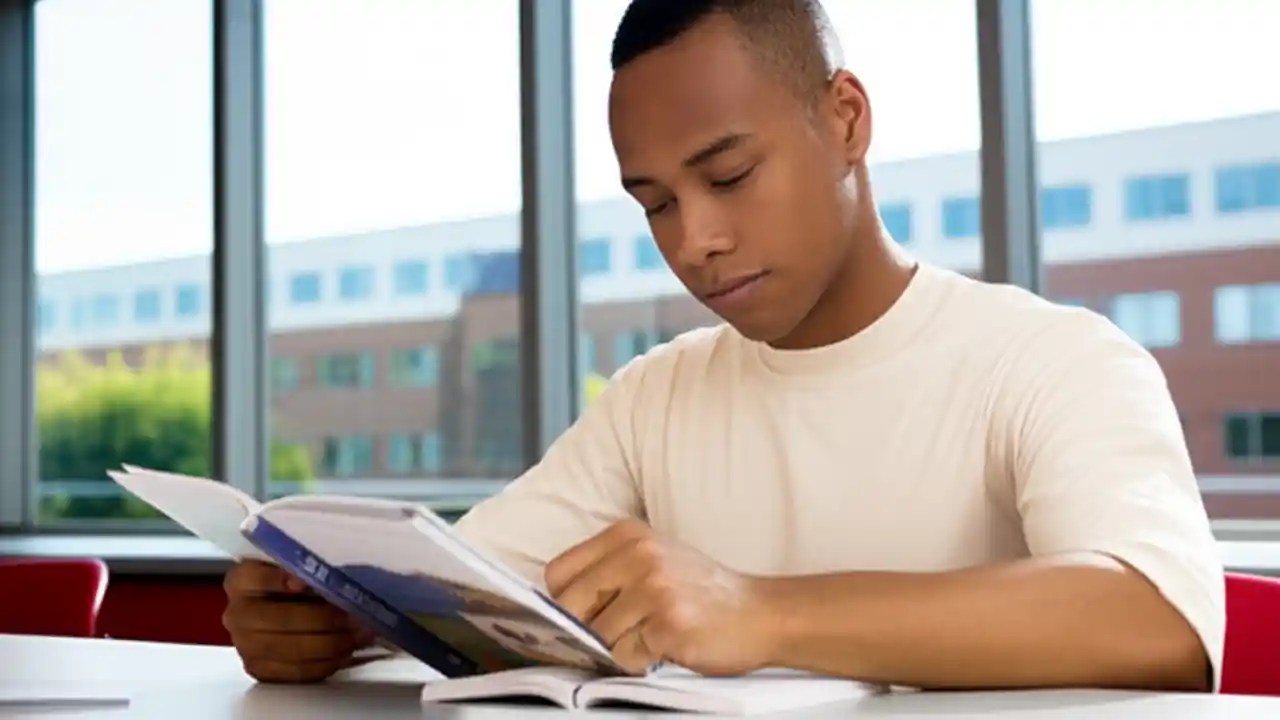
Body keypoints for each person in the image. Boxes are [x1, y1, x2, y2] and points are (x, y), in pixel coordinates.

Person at [221, 0, 1223, 691]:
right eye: (653, 203)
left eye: (729, 175)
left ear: (844, 120)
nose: (692, 239)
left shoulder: (1055, 362)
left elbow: (1156, 624)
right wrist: (341, 617)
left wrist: (759, 613)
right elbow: (462, 581)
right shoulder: (658, 397)